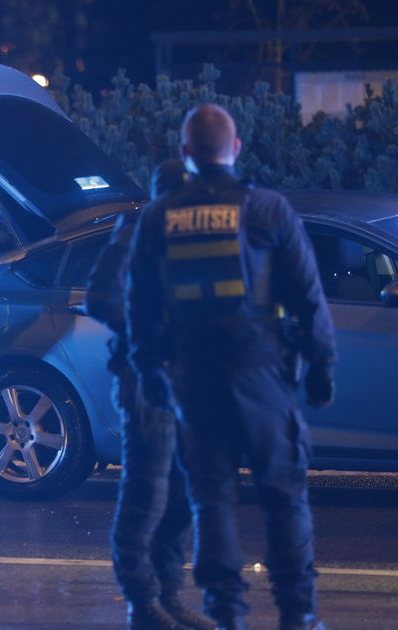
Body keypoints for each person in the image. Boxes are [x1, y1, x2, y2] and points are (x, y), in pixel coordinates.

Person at [127, 104, 337, 630]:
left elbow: (140, 306)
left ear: (184, 154)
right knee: (284, 496)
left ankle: (226, 616)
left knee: (211, 498)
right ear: (236, 147)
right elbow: (309, 297)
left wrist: (151, 372)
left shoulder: (159, 217)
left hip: (193, 379)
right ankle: (299, 616)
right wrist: (320, 366)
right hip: (261, 370)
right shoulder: (266, 210)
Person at [87, 160, 214, 630]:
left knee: (183, 495)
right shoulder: (135, 232)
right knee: (147, 496)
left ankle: (169, 596)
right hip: (145, 382)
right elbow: (100, 297)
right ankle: (142, 602)